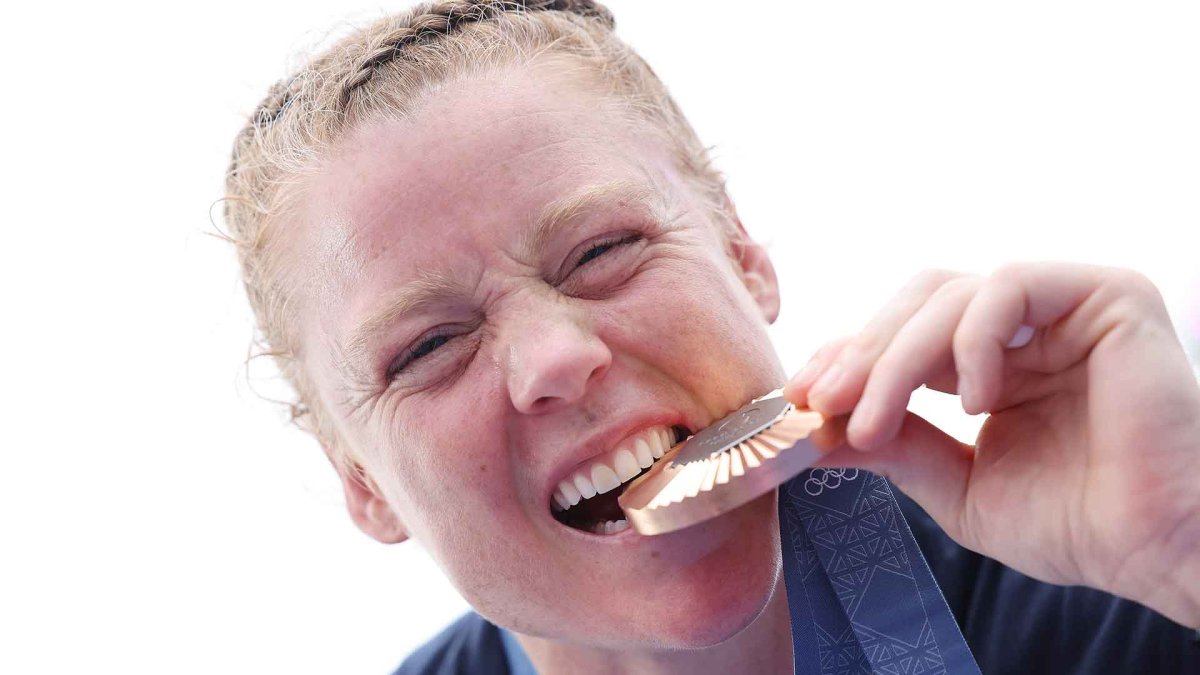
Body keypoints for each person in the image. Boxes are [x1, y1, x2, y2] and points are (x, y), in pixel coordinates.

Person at [221, 1, 1200, 672]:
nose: (556, 357)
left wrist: (1181, 543)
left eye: (602, 250)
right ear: (362, 481)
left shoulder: (1094, 592)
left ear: (742, 255)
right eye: (428, 348)